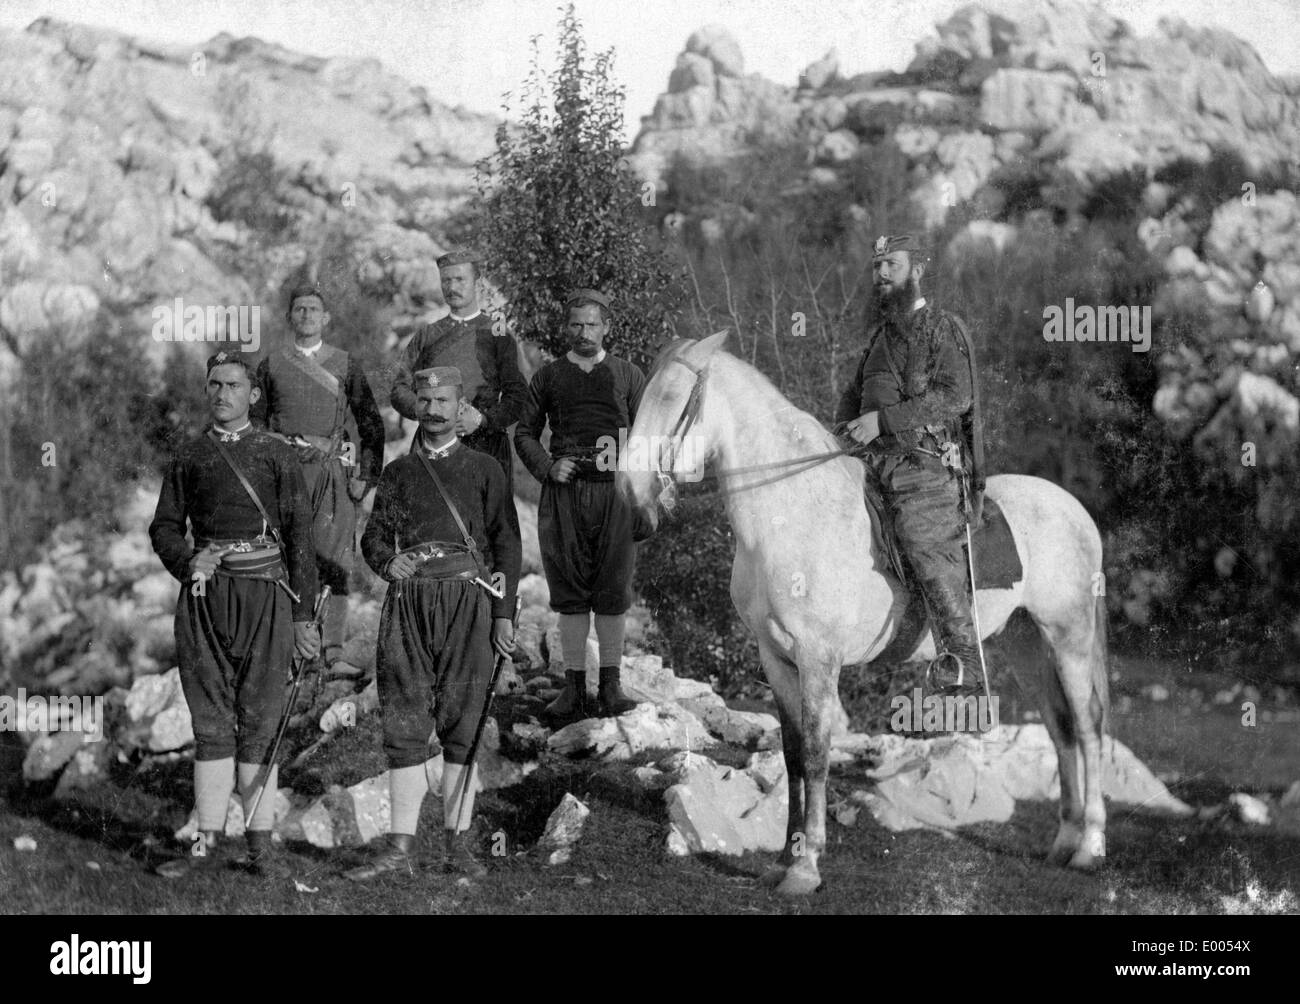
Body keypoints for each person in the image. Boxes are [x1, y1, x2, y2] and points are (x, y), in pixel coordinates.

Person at [149, 351, 320, 879]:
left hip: (267, 598)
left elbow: (301, 540)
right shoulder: (190, 455)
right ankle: (205, 843)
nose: (222, 393)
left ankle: (260, 849)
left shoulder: (276, 453)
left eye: (233, 384)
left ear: (254, 395)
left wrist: (304, 618)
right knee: (211, 724)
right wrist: (186, 559)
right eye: (214, 384)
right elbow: (164, 527)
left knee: (262, 723)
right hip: (204, 600)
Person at [348, 365, 520, 880]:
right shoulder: (398, 474)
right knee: (403, 719)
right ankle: (399, 848)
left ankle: (457, 846)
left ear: (459, 403)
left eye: (445, 400)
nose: (435, 409)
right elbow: (374, 537)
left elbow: (507, 544)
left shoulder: (485, 468)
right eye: (426, 400)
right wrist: (386, 562)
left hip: (469, 600)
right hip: (409, 603)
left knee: (463, 722)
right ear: (416, 406)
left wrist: (504, 615)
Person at [835, 233, 983, 696]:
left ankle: (964, 663)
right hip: (872, 465)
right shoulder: (879, 337)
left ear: (917, 270)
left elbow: (954, 397)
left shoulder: (942, 327)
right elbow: (851, 400)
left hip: (924, 468)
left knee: (923, 541)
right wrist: (837, 431)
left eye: (891, 265)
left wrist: (883, 421)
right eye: (877, 266)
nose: (881, 274)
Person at [514, 289, 646, 726]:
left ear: (607, 327)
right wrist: (549, 466)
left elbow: (650, 436)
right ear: (565, 328)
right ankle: (573, 688)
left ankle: (611, 686)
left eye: (592, 324)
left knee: (612, 590)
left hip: (616, 493)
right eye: (575, 324)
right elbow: (525, 434)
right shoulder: (549, 377)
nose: (583, 332)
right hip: (566, 493)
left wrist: (646, 490)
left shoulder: (628, 375)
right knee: (570, 594)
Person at [252, 284, 384, 673]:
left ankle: (334, 653)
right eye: (300, 309)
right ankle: (294, 650)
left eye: (314, 309)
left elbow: (372, 425)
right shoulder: (271, 364)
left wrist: (367, 476)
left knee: (337, 559)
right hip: (287, 473)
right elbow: (255, 424)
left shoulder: (345, 363)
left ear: (326, 318)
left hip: (332, 475)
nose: (307, 315)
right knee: (287, 556)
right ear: (290, 317)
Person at [389, 249, 528, 485]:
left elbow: (518, 396)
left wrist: (483, 420)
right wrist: (426, 412)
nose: (452, 287)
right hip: (434, 444)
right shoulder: (428, 334)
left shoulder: (498, 333)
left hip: (484, 446)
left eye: (460, 279)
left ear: (477, 282)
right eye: (446, 280)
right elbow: (399, 388)